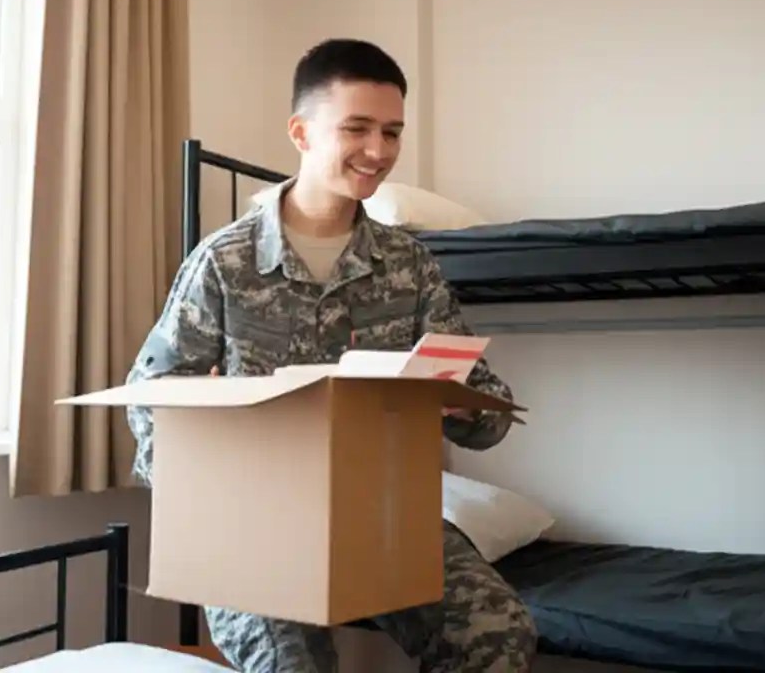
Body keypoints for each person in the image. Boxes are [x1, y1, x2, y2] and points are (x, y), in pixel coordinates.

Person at [123, 38, 537, 672]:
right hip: (255, 521)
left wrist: (459, 407)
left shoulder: (411, 267)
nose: (379, 151)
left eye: (393, 132)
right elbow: (151, 399)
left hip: (382, 515)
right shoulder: (225, 263)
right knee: (292, 663)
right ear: (301, 132)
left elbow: (489, 408)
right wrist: (207, 498)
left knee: (499, 631)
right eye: (357, 128)